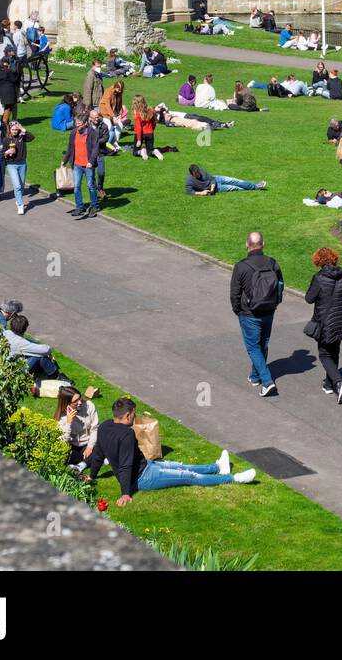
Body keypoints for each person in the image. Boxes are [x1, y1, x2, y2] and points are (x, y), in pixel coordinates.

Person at [84, 398, 255, 505]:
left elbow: (98, 452)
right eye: (134, 415)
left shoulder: (105, 425)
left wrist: (92, 475)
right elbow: (126, 465)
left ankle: (217, 467)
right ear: (128, 415)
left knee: (181, 466)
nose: (135, 418)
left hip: (147, 466)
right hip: (143, 477)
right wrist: (125, 494)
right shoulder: (127, 434)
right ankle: (234, 478)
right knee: (188, 477)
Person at [231, 231, 284, 398]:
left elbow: (235, 294)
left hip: (249, 313)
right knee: (263, 344)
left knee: (253, 347)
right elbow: (280, 285)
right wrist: (276, 303)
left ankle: (267, 381)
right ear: (264, 243)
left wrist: (237, 310)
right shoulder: (273, 263)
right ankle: (255, 376)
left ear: (247, 245)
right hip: (268, 311)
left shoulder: (241, 266)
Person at [305, 247, 342, 403]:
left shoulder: (319, 278)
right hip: (341, 320)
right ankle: (329, 384)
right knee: (334, 351)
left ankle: (339, 382)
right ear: (334, 259)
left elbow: (309, 298)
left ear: (318, 261)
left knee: (324, 354)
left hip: (325, 321)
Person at [62, 113, 101, 219]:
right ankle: (80, 207)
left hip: (88, 165)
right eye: (76, 123)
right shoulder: (74, 132)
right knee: (76, 187)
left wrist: (91, 161)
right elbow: (70, 147)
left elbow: (95, 149)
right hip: (77, 164)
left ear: (85, 123)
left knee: (90, 186)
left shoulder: (92, 133)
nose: (76, 126)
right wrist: (65, 160)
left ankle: (94, 206)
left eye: (79, 124)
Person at [3, 314, 60, 378]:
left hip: (5, 366)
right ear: (25, 329)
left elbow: (25, 340)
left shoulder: (6, 333)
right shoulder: (21, 343)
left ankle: (50, 374)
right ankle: (56, 376)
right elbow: (46, 349)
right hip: (13, 372)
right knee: (40, 356)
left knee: (37, 354)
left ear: (11, 325)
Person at [55, 386, 99, 468]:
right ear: (67, 403)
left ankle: (82, 463)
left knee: (105, 437)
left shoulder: (89, 405)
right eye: (75, 402)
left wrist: (90, 447)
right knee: (61, 453)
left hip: (88, 442)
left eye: (80, 398)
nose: (80, 402)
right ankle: (91, 460)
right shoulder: (62, 418)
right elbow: (63, 441)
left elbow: (95, 428)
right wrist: (68, 422)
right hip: (72, 446)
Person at [186, 164, 267, 195]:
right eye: (196, 173)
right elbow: (189, 191)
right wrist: (201, 193)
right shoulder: (189, 181)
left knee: (235, 181)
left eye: (198, 172)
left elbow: (211, 179)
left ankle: (255, 186)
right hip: (218, 189)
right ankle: (254, 188)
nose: (198, 174)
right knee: (235, 188)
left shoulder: (201, 170)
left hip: (217, 180)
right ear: (192, 174)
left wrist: (212, 186)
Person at [0, 47, 22, 123]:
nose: (14, 52)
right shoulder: (4, 62)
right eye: (12, 51)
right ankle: (6, 121)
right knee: (9, 105)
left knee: (13, 103)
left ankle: (14, 119)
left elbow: (19, 73)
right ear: (8, 52)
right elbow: (15, 77)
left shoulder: (17, 60)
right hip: (9, 87)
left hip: (12, 86)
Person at [132, 96, 162, 160]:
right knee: (149, 151)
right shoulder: (151, 110)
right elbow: (154, 123)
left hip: (141, 134)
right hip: (150, 133)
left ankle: (141, 152)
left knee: (135, 152)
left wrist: (139, 140)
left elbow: (139, 128)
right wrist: (152, 130)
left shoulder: (138, 114)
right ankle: (154, 151)